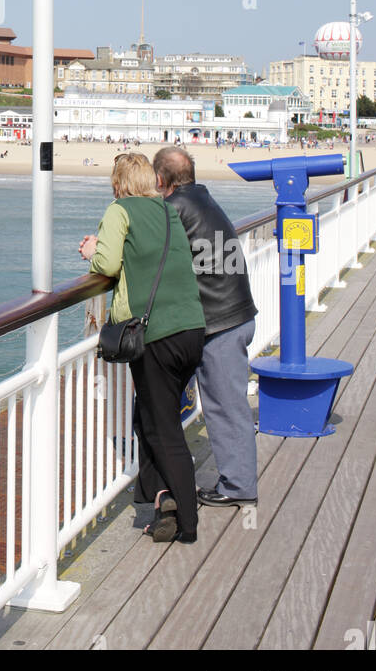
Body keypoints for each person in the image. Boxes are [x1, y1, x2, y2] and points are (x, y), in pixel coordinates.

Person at [79, 153, 205, 543]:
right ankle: (157, 500)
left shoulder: (120, 210)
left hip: (156, 337)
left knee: (164, 429)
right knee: (150, 419)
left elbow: (110, 262)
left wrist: (91, 251)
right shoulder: (167, 211)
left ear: (119, 183)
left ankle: (188, 522)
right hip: (191, 330)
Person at [152, 146, 258, 508]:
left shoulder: (174, 208)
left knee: (225, 406)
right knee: (223, 403)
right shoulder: (203, 199)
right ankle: (232, 479)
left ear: (160, 180)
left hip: (222, 321)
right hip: (237, 313)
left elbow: (150, 251)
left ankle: (238, 486)